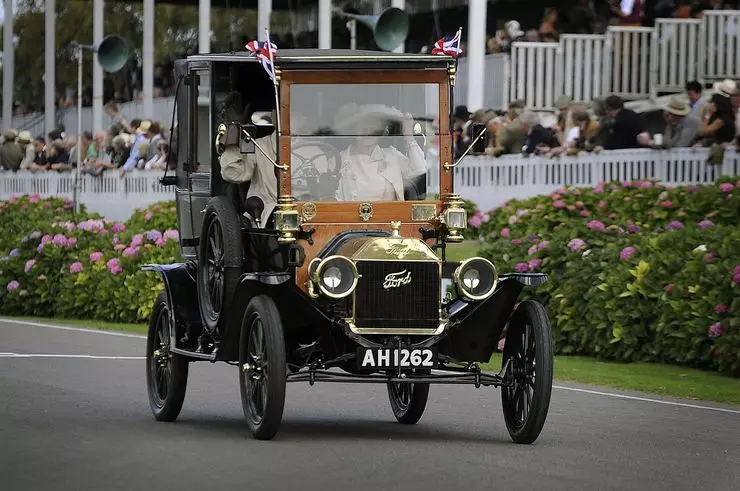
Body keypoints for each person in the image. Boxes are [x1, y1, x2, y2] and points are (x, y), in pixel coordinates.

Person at [334, 105, 427, 202]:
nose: (369, 131)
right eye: (364, 125)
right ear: (354, 129)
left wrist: (408, 135)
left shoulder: (392, 156)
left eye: (374, 127)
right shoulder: (339, 160)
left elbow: (419, 170)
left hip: (390, 216)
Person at [219, 97, 278, 227]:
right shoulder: (259, 146)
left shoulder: (317, 150)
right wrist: (235, 127)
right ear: (276, 115)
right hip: (268, 218)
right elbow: (232, 173)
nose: (296, 117)